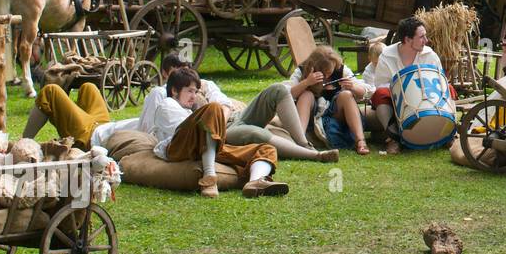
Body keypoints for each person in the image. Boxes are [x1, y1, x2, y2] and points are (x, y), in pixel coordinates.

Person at [143, 54, 333, 162]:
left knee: (277, 89)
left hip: (232, 118)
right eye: (189, 90)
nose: (193, 94)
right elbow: (166, 129)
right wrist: (216, 121)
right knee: (256, 133)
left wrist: (222, 115)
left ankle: (303, 143)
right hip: (218, 132)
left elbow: (224, 103)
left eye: (195, 89)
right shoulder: (164, 99)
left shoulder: (204, 84)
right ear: (172, 83)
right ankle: (314, 155)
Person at [152, 67, 288, 198]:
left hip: (202, 148)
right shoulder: (167, 104)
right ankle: (209, 178)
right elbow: (183, 133)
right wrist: (208, 117)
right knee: (214, 108)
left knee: (266, 149)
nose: (193, 97)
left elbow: (203, 132)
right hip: (178, 148)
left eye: (195, 92)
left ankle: (255, 183)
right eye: (190, 91)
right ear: (175, 91)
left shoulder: (187, 110)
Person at [365, 16, 445, 154]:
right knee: (380, 94)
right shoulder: (387, 55)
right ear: (407, 40)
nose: (426, 41)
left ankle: (447, 132)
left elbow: (440, 80)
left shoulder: (429, 54)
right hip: (397, 102)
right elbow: (381, 84)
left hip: (427, 99)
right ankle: (393, 138)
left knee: (448, 89)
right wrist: (404, 91)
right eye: (421, 37)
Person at [288, 45, 371, 155]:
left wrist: (353, 87)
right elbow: (287, 95)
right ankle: (300, 140)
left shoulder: (341, 69)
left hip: (335, 115)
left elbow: (364, 92)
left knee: (346, 95)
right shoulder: (302, 70)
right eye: (324, 72)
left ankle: (360, 141)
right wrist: (307, 82)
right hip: (312, 116)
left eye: (329, 71)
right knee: (306, 95)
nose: (327, 75)